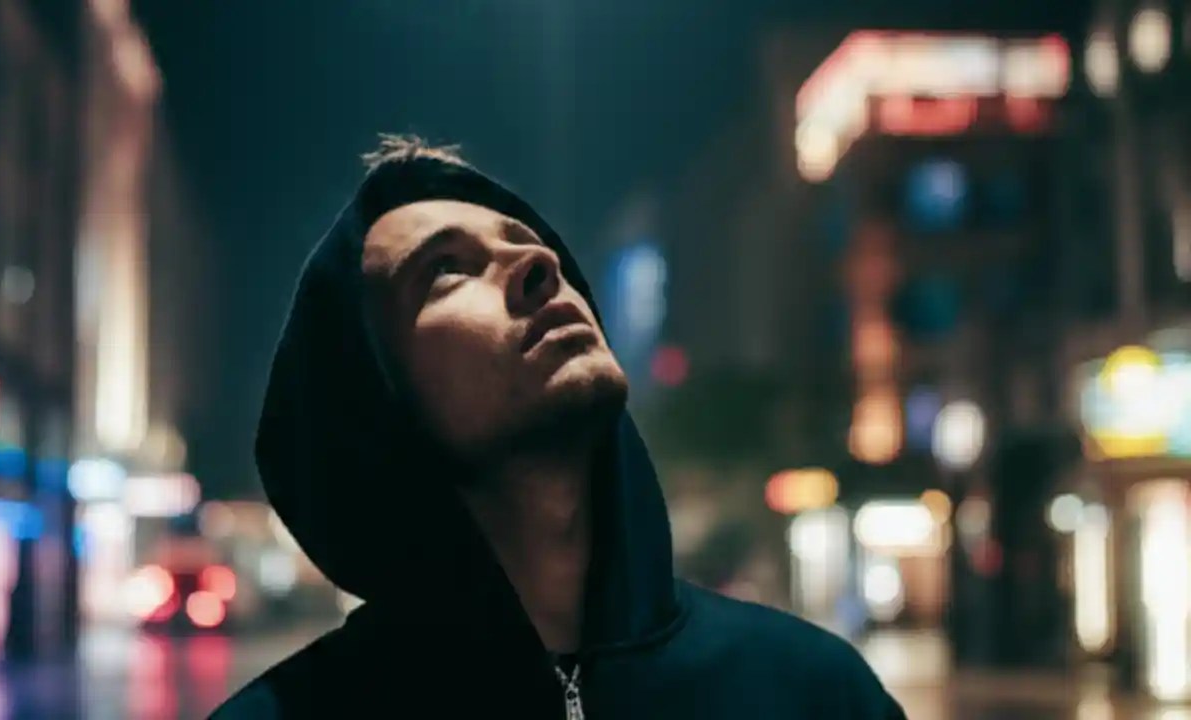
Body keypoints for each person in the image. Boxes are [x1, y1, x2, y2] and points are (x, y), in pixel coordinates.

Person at [211, 135, 907, 719]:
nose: (539, 262)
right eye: (447, 270)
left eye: (530, 243)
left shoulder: (815, 693)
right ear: (371, 398)